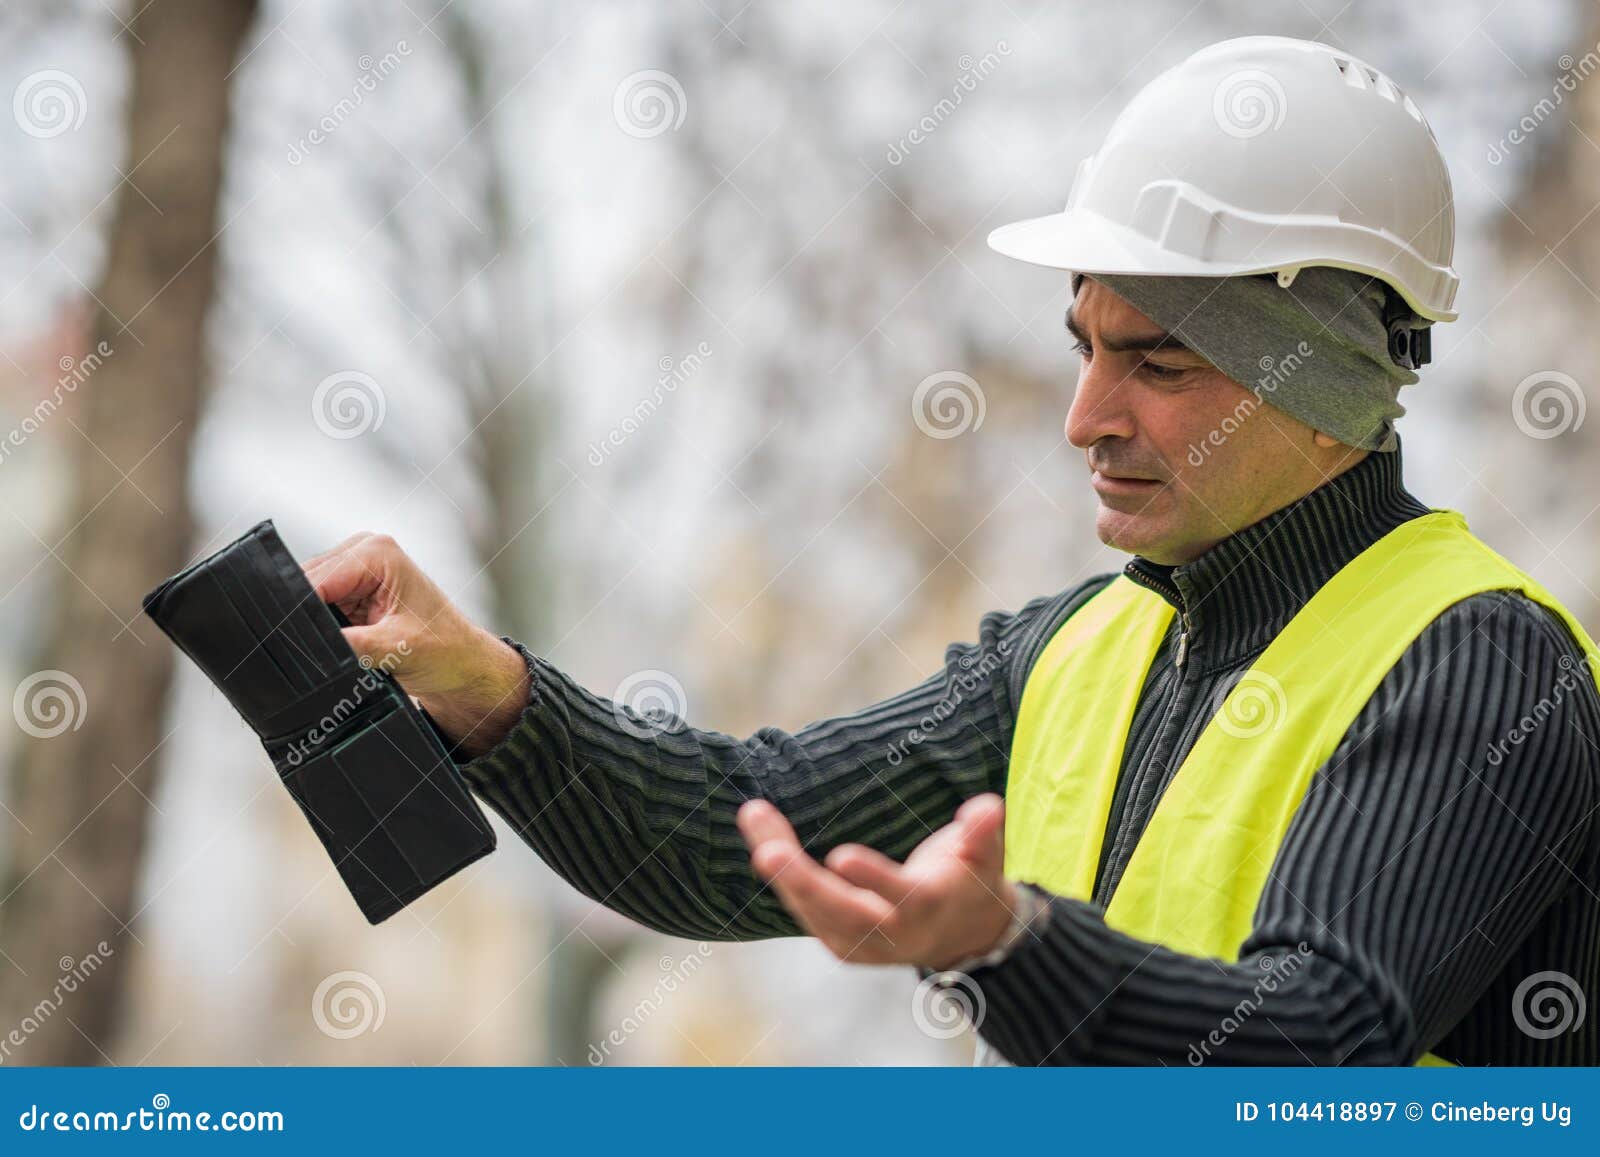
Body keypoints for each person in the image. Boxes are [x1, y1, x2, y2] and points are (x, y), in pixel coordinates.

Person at [301, 36, 1599, 1065]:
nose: (1089, 416)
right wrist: (487, 690)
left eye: (1158, 360)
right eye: (1083, 347)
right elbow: (730, 834)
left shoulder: (1480, 662)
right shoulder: (1072, 653)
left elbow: (1315, 1042)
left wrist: (1015, 947)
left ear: (1322, 385)